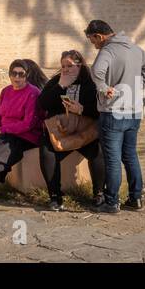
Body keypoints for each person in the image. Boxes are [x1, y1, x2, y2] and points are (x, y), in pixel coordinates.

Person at [86, 19, 145, 214]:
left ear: (99, 36)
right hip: (134, 112)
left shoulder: (108, 51)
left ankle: (112, 202)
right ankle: (135, 199)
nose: (94, 45)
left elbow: (96, 71)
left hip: (112, 113)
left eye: (93, 41)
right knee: (130, 156)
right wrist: (139, 85)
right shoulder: (134, 48)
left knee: (113, 159)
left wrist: (103, 88)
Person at [37, 49, 106, 212]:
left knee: (98, 152)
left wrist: (81, 109)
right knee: (47, 152)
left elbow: (100, 109)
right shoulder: (56, 82)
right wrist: (60, 85)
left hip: (85, 133)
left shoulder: (91, 83)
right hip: (62, 132)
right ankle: (55, 196)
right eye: (63, 66)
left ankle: (99, 194)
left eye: (70, 66)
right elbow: (42, 104)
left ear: (80, 65)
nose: (66, 69)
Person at [0, 59, 46, 203]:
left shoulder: (32, 93)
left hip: (25, 136)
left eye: (21, 74)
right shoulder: (6, 91)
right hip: (5, 133)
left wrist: (3, 129)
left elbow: (28, 123)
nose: (17, 77)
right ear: (9, 75)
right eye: (14, 74)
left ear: (27, 75)